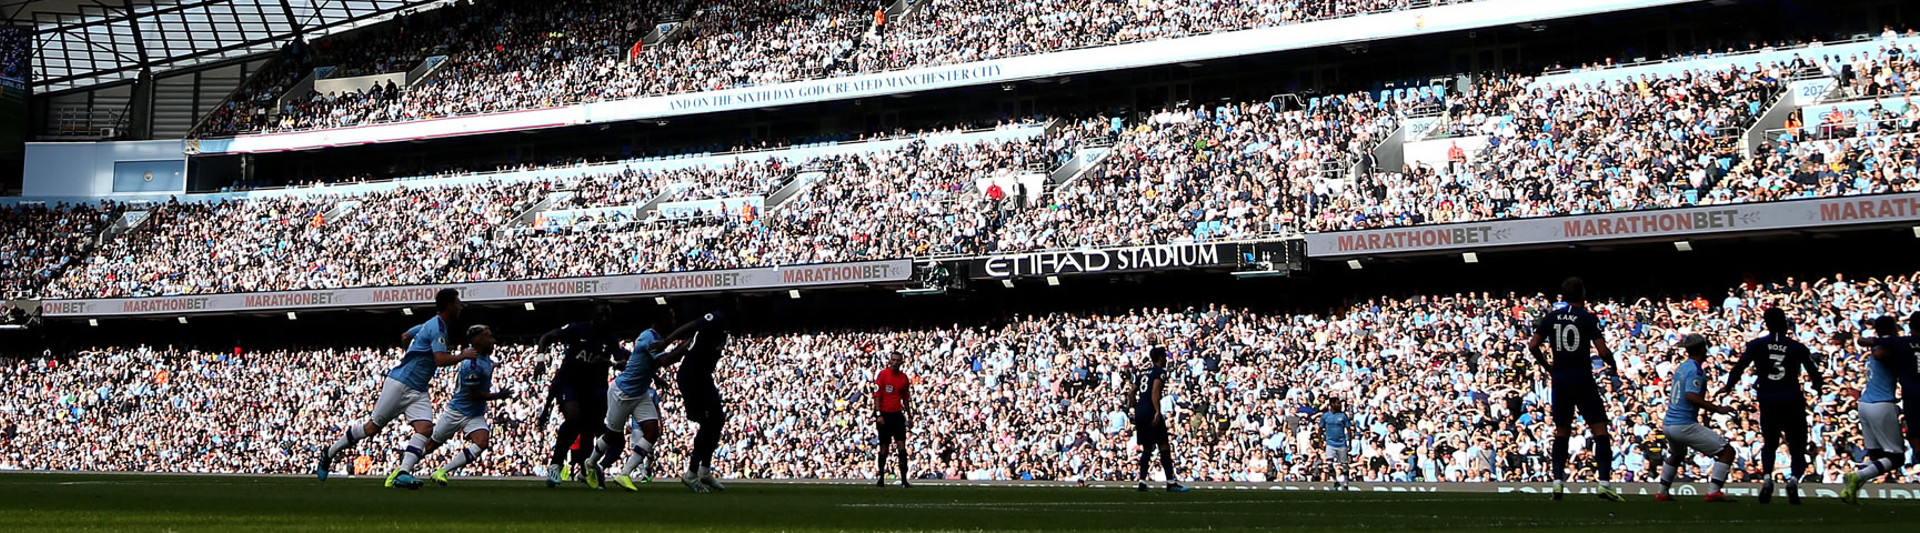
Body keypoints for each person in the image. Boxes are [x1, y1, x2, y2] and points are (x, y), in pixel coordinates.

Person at [316, 288, 475, 488]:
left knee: (425, 429)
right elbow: (440, 359)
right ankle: (329, 453)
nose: (461, 306)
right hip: (401, 383)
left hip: (417, 389)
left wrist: (412, 354)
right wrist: (464, 355)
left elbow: (406, 335)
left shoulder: (431, 324)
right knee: (371, 428)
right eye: (458, 302)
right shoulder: (437, 328)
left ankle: (403, 472)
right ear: (449, 305)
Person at [1527, 277, 1626, 501]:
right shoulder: (1587, 318)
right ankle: (1604, 483)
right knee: (1599, 429)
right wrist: (1613, 365)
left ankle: (1558, 483)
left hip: (1560, 379)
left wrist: (1547, 366)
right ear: (1582, 293)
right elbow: (1602, 351)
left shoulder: (1551, 317)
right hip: (1582, 377)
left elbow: (1533, 345)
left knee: (1561, 431)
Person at [1720, 307, 1825, 504]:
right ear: (1785, 323)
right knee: (1797, 445)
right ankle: (1793, 481)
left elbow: (1739, 367)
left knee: (1770, 442)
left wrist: (1728, 387)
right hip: (1792, 399)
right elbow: (1813, 372)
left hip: (1768, 399)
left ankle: (1767, 478)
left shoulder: (1756, 345)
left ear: (1766, 324)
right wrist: (1818, 388)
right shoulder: (1797, 347)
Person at [587, 307, 676, 491]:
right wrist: (686, 346)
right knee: (611, 436)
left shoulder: (656, 338)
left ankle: (624, 473)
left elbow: (645, 364)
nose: (674, 321)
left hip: (640, 393)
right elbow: (664, 361)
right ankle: (590, 463)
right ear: (662, 320)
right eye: (671, 318)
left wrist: (656, 378)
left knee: (653, 431)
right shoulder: (648, 338)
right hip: (622, 392)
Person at [536, 304, 624, 487]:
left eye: (607, 316)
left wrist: (613, 362)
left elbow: (621, 361)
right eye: (600, 315)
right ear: (593, 316)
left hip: (593, 389)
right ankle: (555, 465)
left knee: (590, 429)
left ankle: (586, 469)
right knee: (574, 417)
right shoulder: (578, 329)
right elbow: (546, 337)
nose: (603, 319)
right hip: (569, 384)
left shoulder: (611, 338)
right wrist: (540, 360)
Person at [658, 307, 734, 493]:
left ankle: (704, 470)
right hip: (692, 377)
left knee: (717, 421)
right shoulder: (716, 317)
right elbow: (690, 327)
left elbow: (687, 347)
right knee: (709, 422)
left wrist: (668, 358)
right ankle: (692, 473)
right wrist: (666, 342)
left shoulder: (722, 328)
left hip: (702, 377)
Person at [1655, 334, 1738, 503]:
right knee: (1728, 452)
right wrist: (1719, 409)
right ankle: (1714, 492)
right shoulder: (1695, 369)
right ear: (1702, 349)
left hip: (1669, 423)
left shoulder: (1683, 366)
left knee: (1677, 454)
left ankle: (1662, 492)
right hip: (1683, 423)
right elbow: (1691, 396)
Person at [429, 324, 512, 486]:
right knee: (431, 445)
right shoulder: (471, 364)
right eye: (489, 337)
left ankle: (442, 471)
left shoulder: (485, 357)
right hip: (457, 412)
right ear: (479, 341)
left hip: (474, 414)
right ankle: (403, 468)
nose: (493, 340)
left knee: (482, 442)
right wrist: (499, 396)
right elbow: (474, 395)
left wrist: (493, 367)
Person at [1843, 316, 1912, 504]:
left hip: (1865, 404)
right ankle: (1858, 476)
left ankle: (1852, 488)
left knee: (1875, 455)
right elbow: (1880, 354)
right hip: (1881, 404)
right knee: (1896, 458)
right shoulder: (1888, 348)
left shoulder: (1877, 345)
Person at [1131, 345, 1189, 492]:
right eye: (1165, 357)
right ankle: (1170, 483)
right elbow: (1155, 391)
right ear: (1161, 358)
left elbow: (1131, 393)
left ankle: (1142, 482)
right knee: (1164, 446)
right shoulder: (1160, 372)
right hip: (1151, 411)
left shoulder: (1143, 372)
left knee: (1147, 449)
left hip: (1140, 412)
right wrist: (1157, 411)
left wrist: (1136, 408)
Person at [873, 351, 913, 488]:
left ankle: (904, 479)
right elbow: (877, 395)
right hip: (884, 414)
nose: (895, 362)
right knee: (884, 448)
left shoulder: (904, 378)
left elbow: (905, 398)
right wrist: (878, 414)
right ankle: (881, 479)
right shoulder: (883, 375)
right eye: (893, 360)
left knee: (901, 446)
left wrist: (909, 415)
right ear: (889, 361)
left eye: (898, 360)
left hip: (897, 415)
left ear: (902, 362)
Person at [1320, 398, 1355, 491]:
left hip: (1341, 443)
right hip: (1330, 443)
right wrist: (1320, 440)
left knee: (1344, 464)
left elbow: (1348, 429)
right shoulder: (1326, 416)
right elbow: (1320, 428)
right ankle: (1335, 481)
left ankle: (1346, 482)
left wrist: (1349, 441)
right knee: (1329, 463)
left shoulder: (1342, 416)